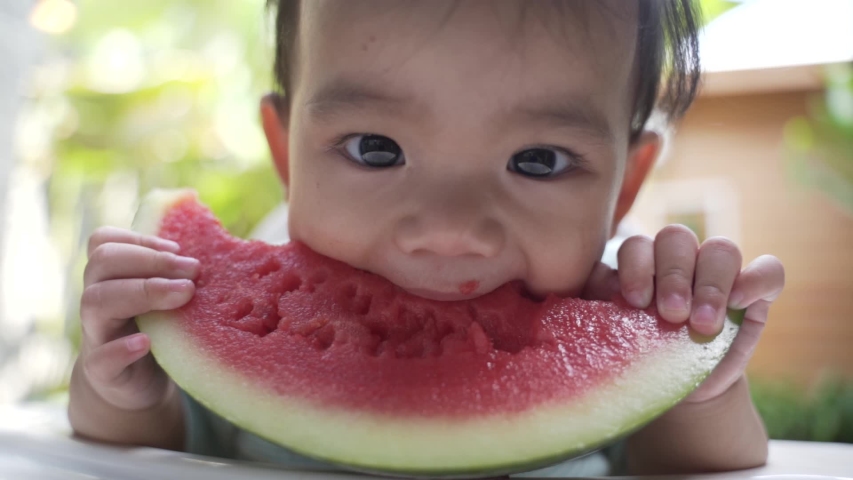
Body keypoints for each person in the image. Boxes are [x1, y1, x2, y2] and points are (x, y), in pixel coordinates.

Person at [68, 1, 786, 476]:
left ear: (623, 188)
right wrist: (125, 392)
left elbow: (698, 470)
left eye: (537, 161)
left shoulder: (621, 309)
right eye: (375, 148)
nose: (449, 232)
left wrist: (697, 385)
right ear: (287, 155)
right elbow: (147, 454)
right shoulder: (214, 317)